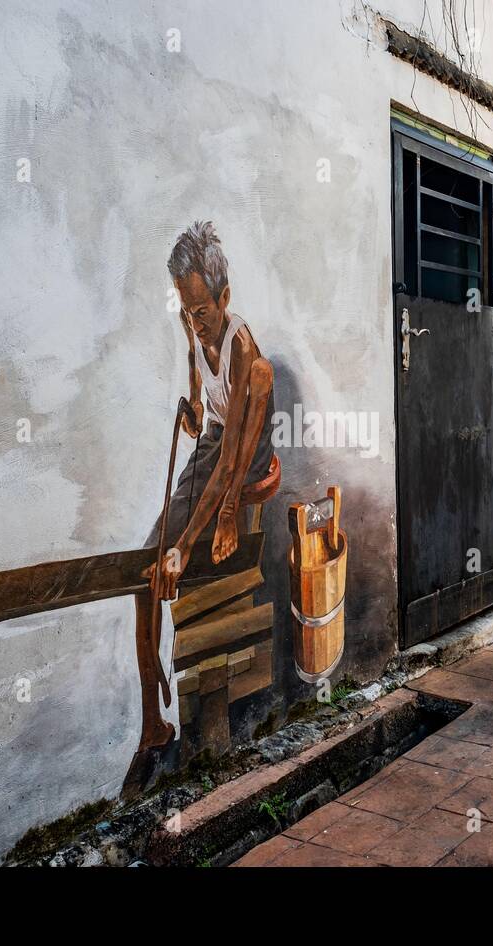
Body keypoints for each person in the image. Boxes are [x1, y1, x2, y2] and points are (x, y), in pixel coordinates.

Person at [132, 221, 276, 751]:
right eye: (187, 314)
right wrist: (190, 413)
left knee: (261, 377)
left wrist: (200, 532)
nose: (196, 325)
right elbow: (202, 410)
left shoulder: (240, 347)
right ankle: (152, 718)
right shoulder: (194, 332)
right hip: (216, 442)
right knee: (145, 561)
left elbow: (229, 457)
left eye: (204, 313)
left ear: (225, 297)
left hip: (245, 452)